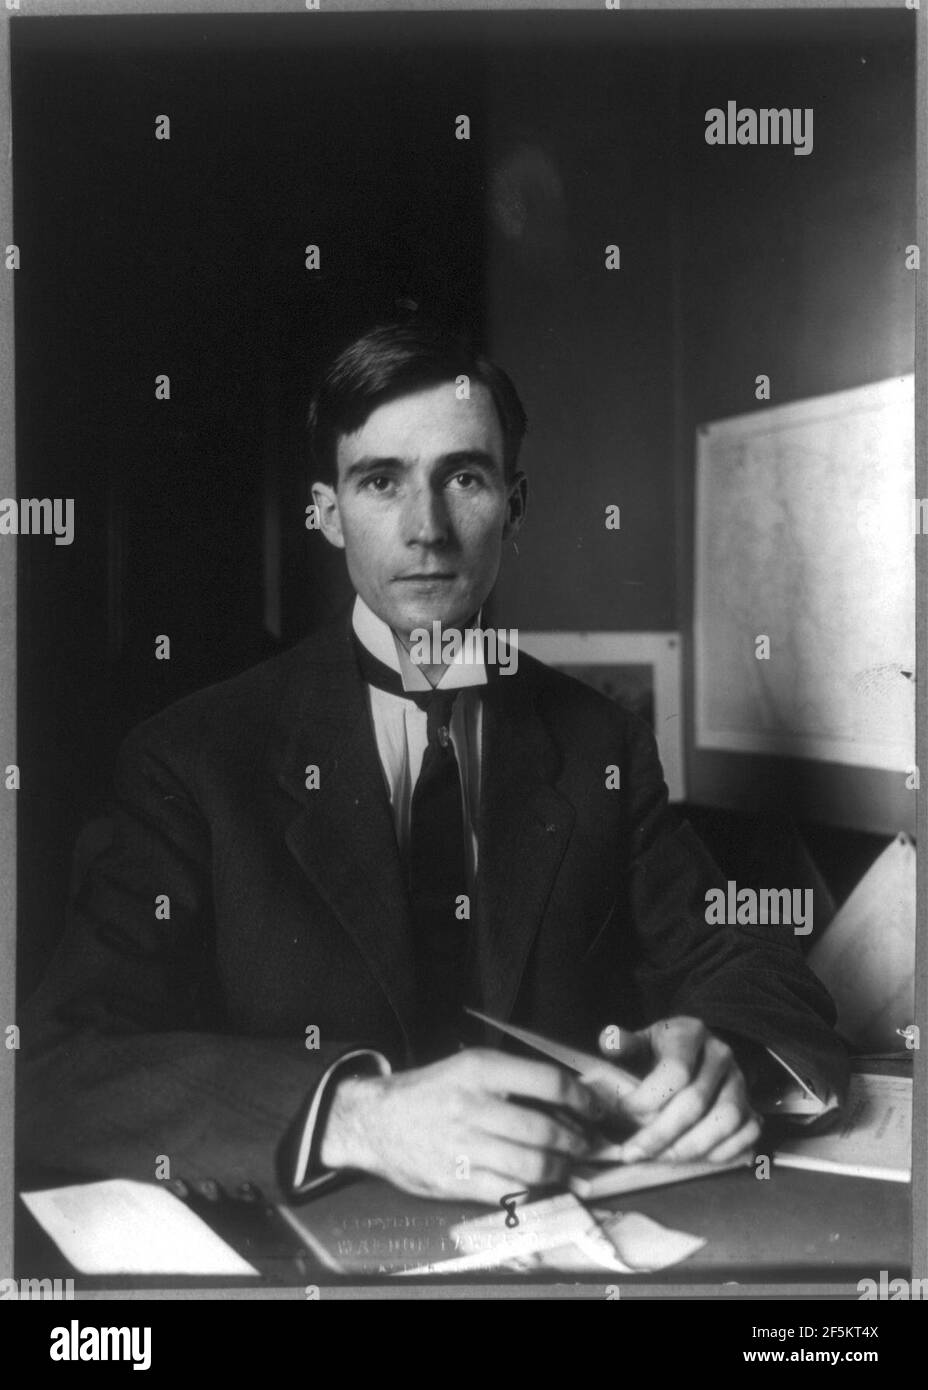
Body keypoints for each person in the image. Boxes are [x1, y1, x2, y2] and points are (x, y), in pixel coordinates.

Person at [18, 323, 847, 1209]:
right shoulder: (190, 757)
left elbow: (741, 959)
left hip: (569, 1232)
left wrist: (728, 1050)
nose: (428, 529)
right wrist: (356, 1114)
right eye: (382, 481)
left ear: (515, 504)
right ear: (327, 514)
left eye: (465, 477)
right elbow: (57, 1063)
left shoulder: (600, 741)